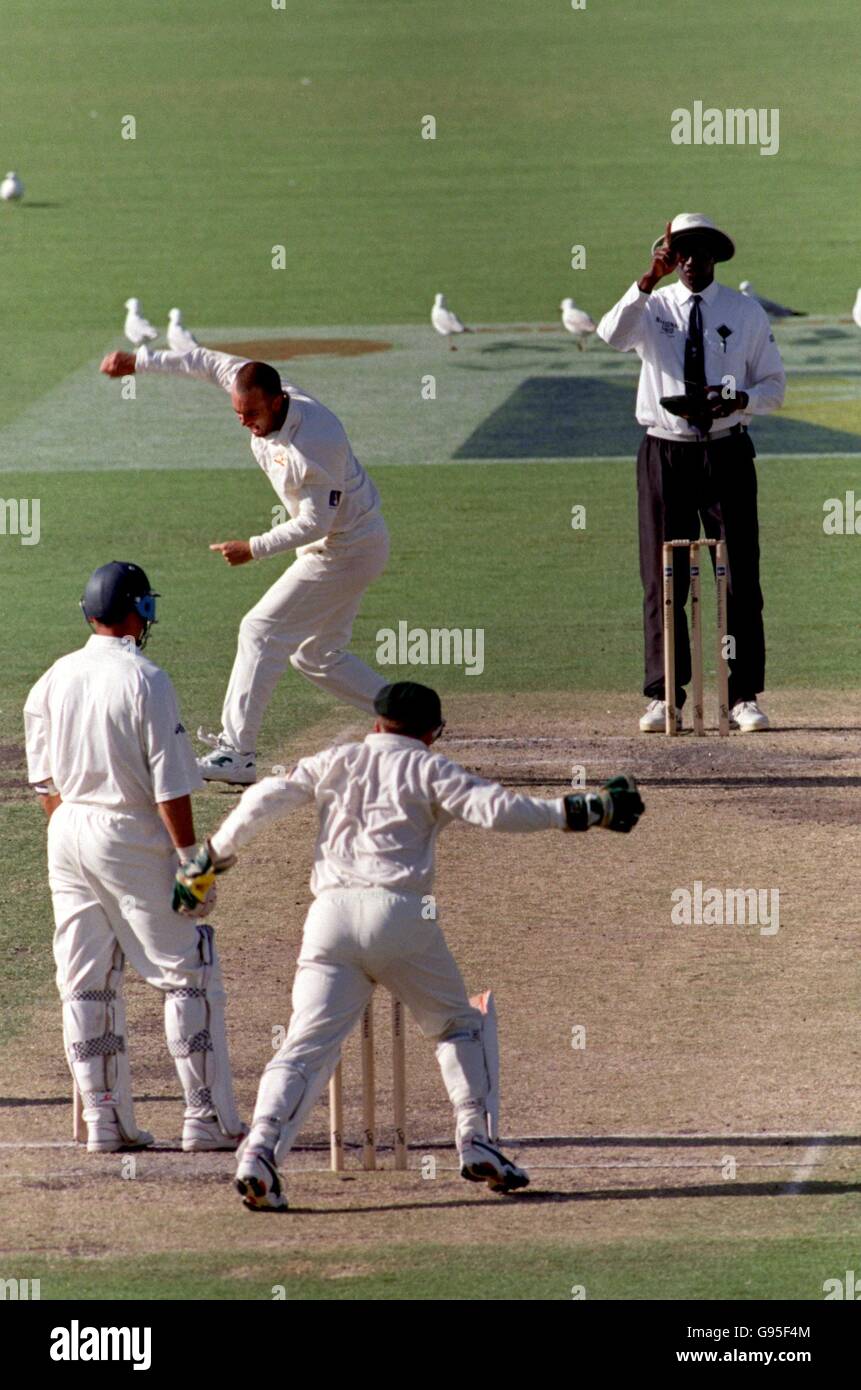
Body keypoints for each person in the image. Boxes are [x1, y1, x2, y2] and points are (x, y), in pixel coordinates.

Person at [172, 681, 645, 1211]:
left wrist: (209, 856)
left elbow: (264, 798)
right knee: (458, 1025)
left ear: (376, 723)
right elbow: (497, 809)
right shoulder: (430, 767)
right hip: (402, 912)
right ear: (432, 733)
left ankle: (259, 1152)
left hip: (329, 917)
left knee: (305, 1046)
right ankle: (475, 1138)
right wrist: (583, 811)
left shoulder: (338, 758)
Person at [24, 561, 244, 1154]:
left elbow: (44, 782)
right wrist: (190, 864)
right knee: (186, 973)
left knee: (86, 983)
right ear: (140, 611)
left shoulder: (52, 677)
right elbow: (170, 785)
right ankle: (205, 1119)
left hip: (65, 828)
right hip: (128, 828)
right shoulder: (146, 679)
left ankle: (104, 1121)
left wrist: (81, 847)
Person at [99, 347, 390, 784]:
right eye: (237, 411)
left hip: (346, 548)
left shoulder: (316, 442)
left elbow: (315, 523)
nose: (243, 422)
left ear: (277, 401)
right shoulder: (250, 387)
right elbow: (198, 359)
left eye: (251, 413)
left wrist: (253, 547)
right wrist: (139, 360)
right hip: (347, 543)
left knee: (260, 629)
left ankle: (237, 753)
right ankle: (407, 717)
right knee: (317, 655)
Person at [597, 213, 786, 733]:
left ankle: (741, 694)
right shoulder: (652, 305)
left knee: (739, 576)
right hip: (664, 453)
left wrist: (740, 399)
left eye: (697, 254)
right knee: (663, 577)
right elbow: (609, 335)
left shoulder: (743, 312)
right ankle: (664, 697)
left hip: (726, 451)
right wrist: (645, 280)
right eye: (677, 253)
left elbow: (774, 387)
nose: (687, 262)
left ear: (714, 259)